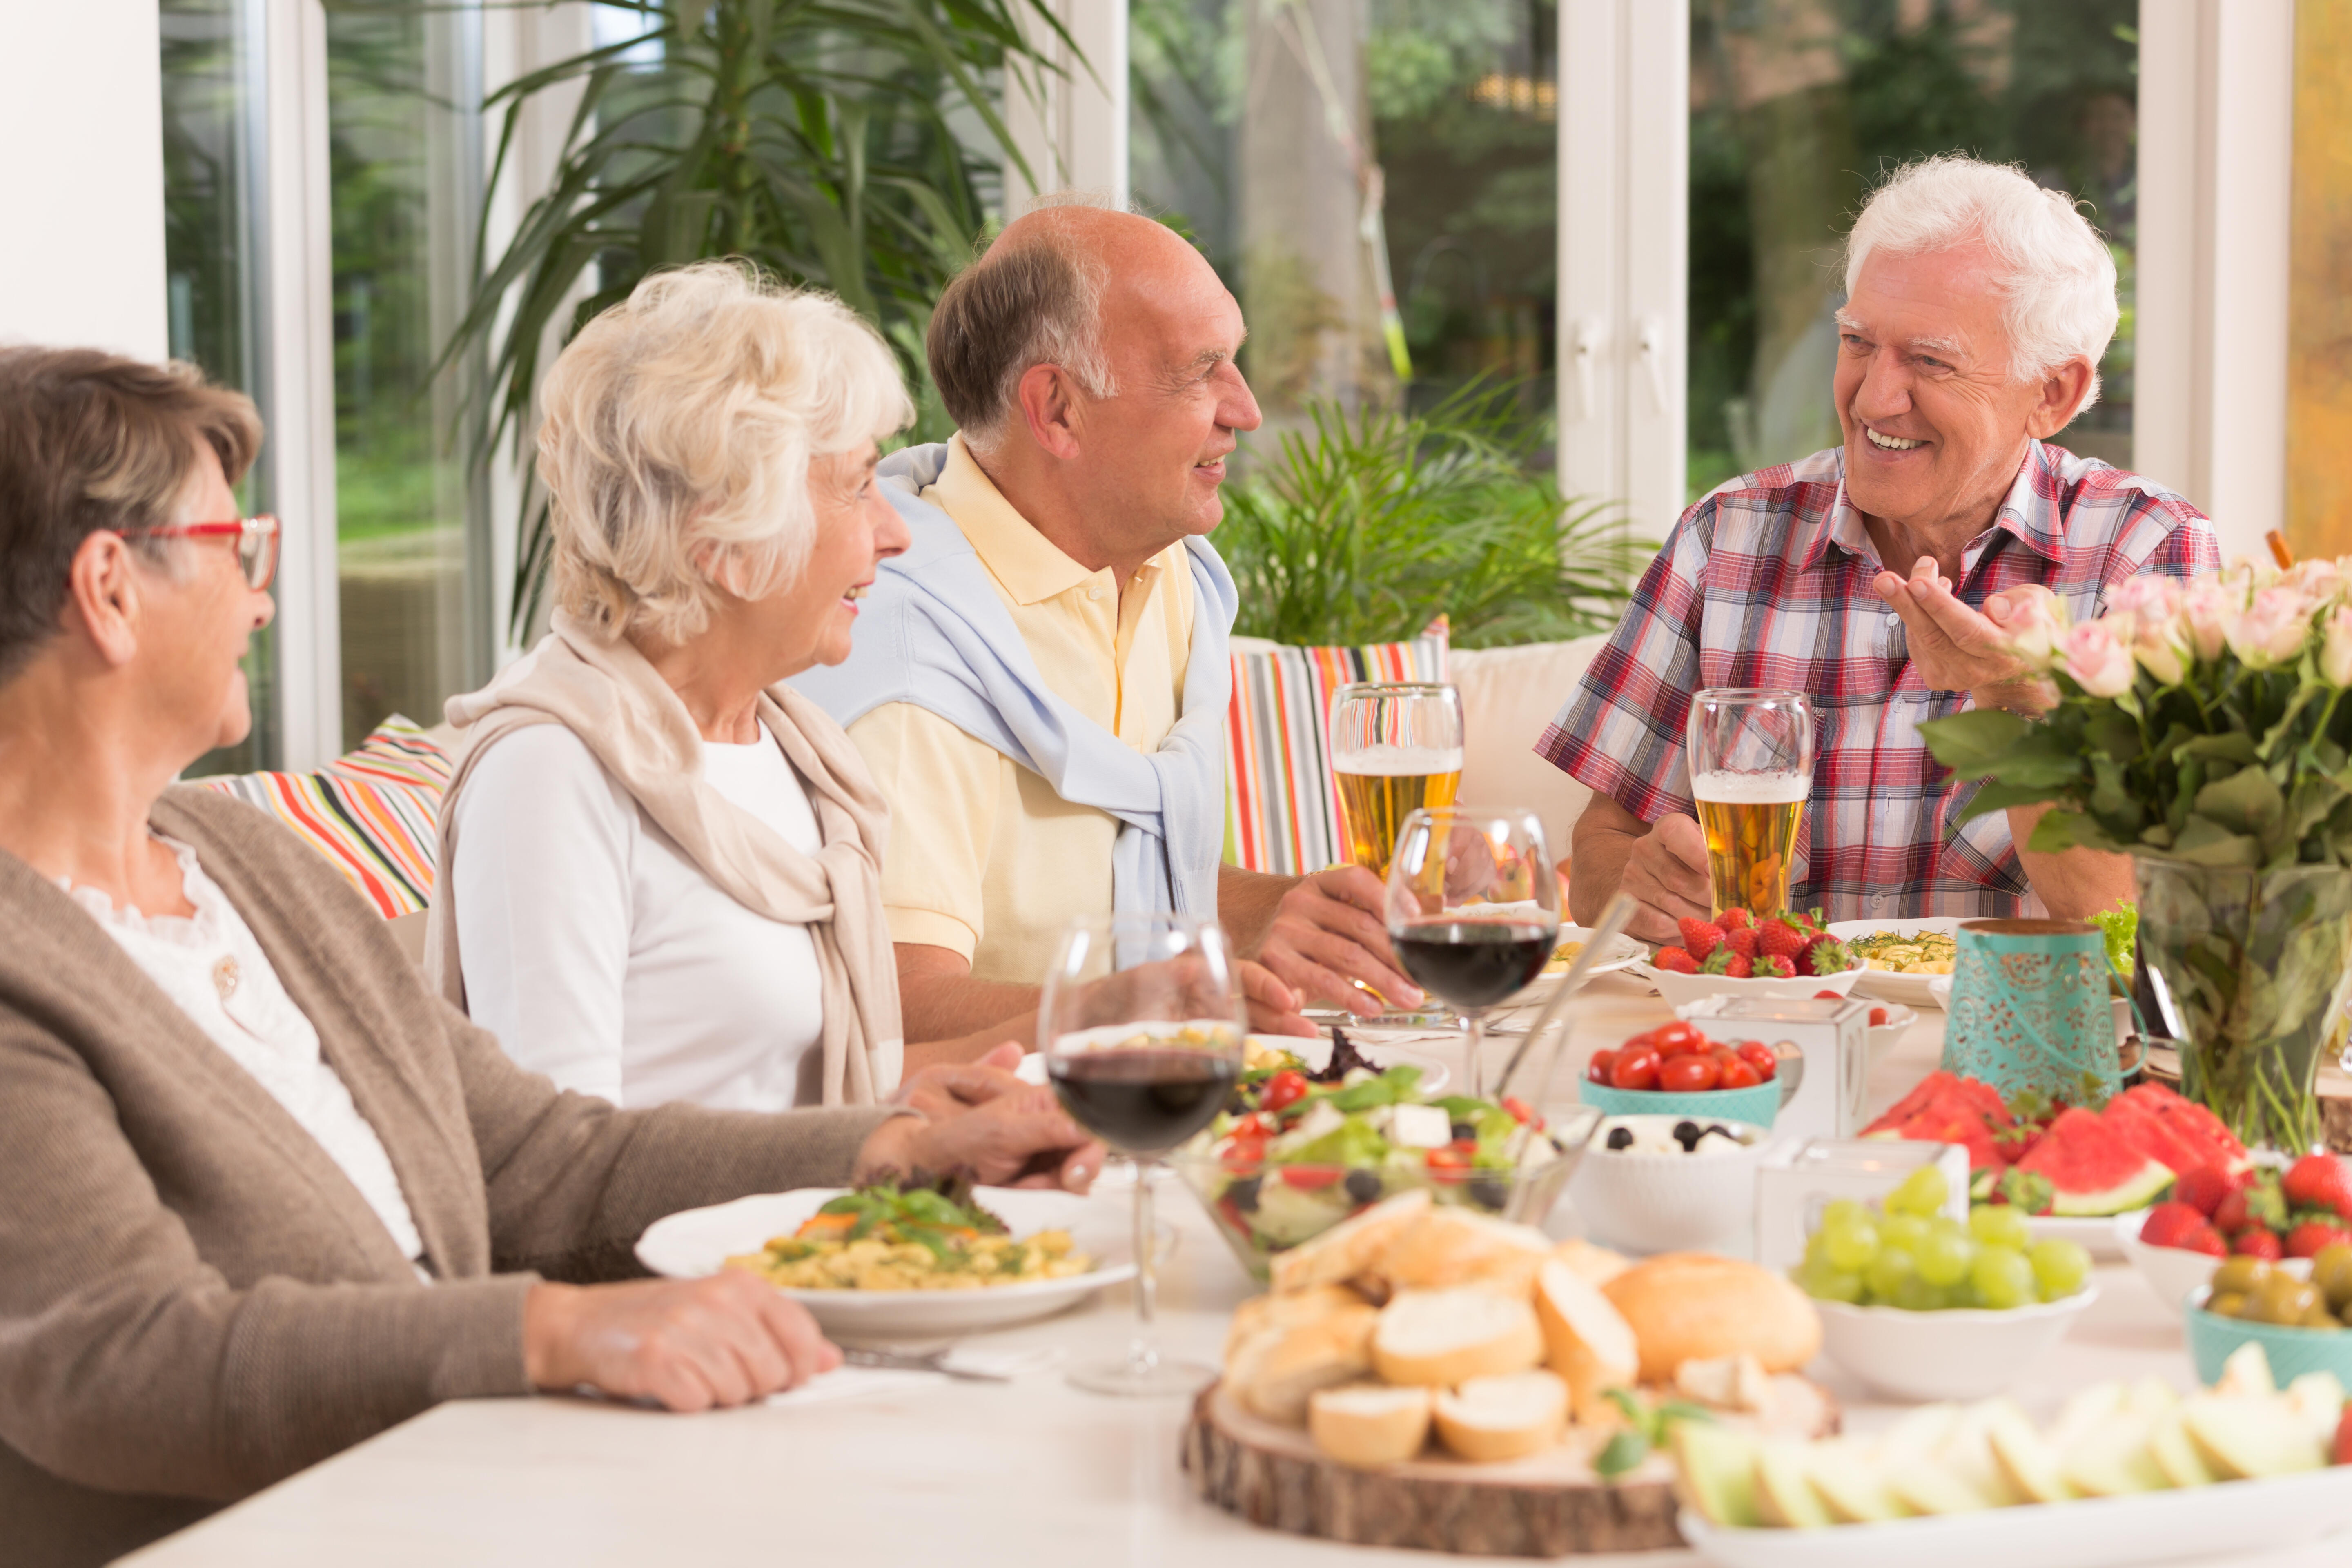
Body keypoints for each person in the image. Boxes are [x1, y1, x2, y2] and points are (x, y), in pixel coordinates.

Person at [0, 346, 1102, 1568]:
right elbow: (118, 1361)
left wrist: (895, 1146)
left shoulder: (242, 865)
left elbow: (539, 1154)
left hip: (471, 1482)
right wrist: (554, 1335)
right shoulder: (24, 964)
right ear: (109, 588)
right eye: (236, 550)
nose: (263, 601)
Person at [793, 197, 1423, 1050]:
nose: (1245, 409)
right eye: (1201, 373)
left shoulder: (1164, 574)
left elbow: (1122, 870)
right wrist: (1153, 1009)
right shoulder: (906, 646)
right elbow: (894, 1011)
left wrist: (1278, 910)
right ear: (1057, 411)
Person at [1547, 155, 2221, 940]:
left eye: (1930, 361)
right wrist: (1642, 889)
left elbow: (2143, 926)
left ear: (2053, 394)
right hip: (1768, 1045)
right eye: (1859, 342)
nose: (1872, 397)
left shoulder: (2145, 557)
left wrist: (2022, 700)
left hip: (2014, 1047)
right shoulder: (1727, 534)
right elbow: (1600, 851)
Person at [428, 262, 1041, 1103]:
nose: (896, 532)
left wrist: (1100, 1027)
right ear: (728, 541)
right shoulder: (553, 774)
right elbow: (555, 1171)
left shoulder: (797, 747)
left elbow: (832, 1092)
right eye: (860, 486)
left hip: (827, 1225)